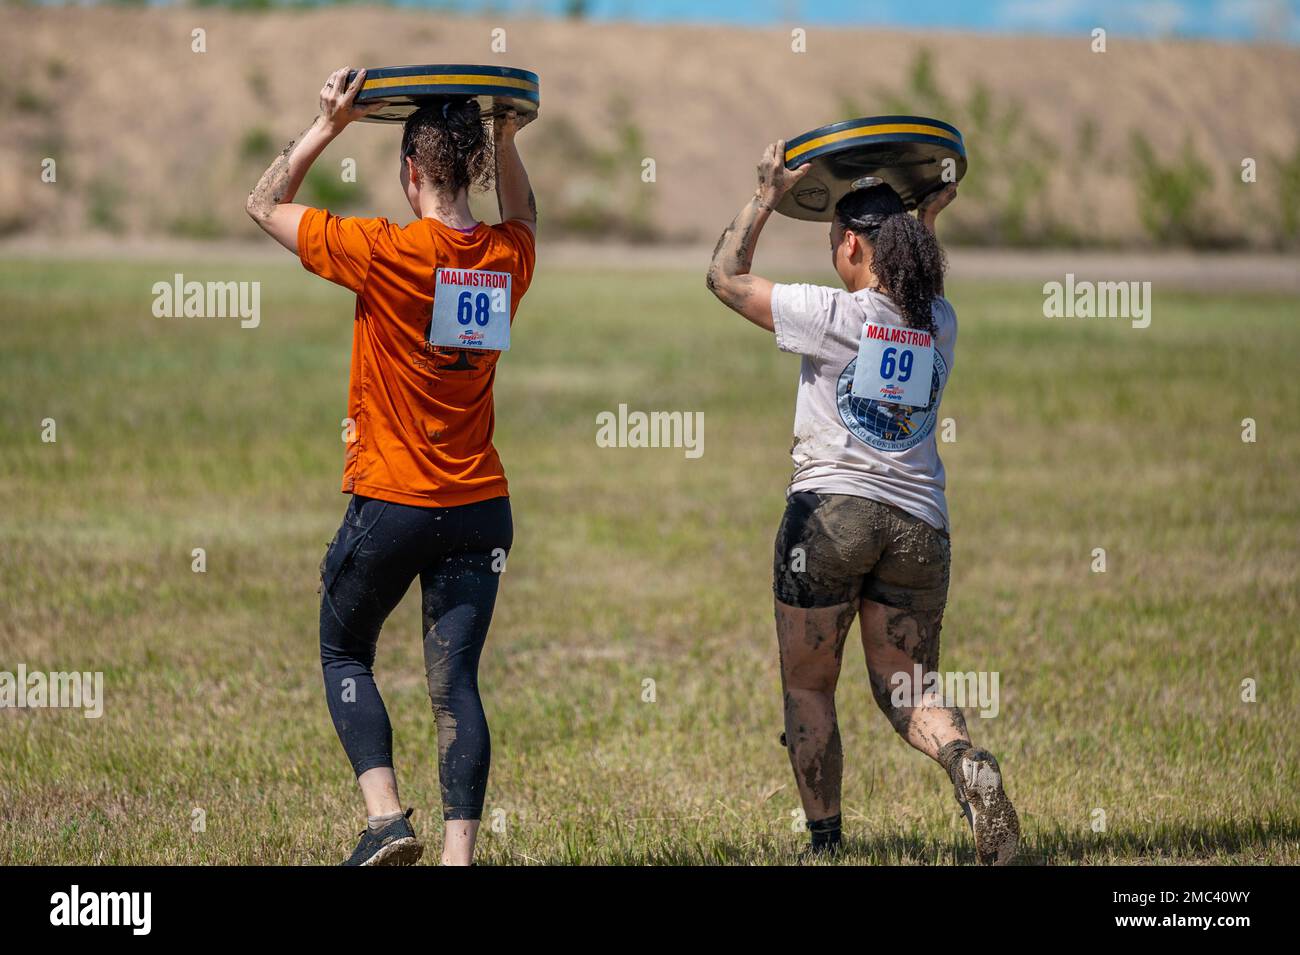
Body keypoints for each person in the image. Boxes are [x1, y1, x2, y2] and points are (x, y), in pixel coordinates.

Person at [246, 68, 537, 866]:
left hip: (394, 500)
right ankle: (457, 858)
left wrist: (329, 126)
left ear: (410, 170)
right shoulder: (510, 258)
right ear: (472, 167)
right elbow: (526, 216)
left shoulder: (383, 251)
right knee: (458, 685)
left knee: (344, 648)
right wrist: (508, 138)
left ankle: (384, 819)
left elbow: (263, 204)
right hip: (482, 504)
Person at [705, 142, 1019, 864]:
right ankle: (963, 757)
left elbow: (724, 278)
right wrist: (923, 217)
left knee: (809, 685)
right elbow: (916, 287)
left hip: (830, 517)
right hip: (919, 527)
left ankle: (826, 843)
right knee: (907, 689)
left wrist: (764, 193)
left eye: (834, 244)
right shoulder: (941, 323)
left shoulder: (829, 313)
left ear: (849, 242)